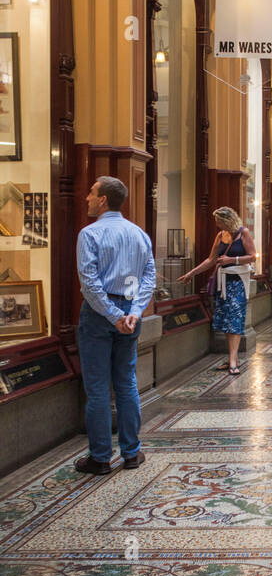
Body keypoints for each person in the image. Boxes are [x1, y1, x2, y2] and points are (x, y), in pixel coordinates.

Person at [75, 177, 156, 475]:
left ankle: (99, 458)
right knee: (126, 383)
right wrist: (133, 312)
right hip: (129, 311)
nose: (87, 198)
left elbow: (90, 283)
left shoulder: (90, 234)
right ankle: (131, 453)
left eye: (91, 193)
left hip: (100, 314)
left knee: (97, 389)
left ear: (103, 200)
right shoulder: (139, 234)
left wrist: (113, 315)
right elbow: (149, 277)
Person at [178, 208, 256, 376]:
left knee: (235, 319)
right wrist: (191, 273)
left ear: (227, 220)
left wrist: (232, 259)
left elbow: (252, 256)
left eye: (219, 221)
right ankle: (231, 357)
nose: (217, 224)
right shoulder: (220, 236)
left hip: (238, 283)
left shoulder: (243, 233)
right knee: (227, 320)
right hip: (223, 283)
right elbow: (211, 259)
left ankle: (234, 360)